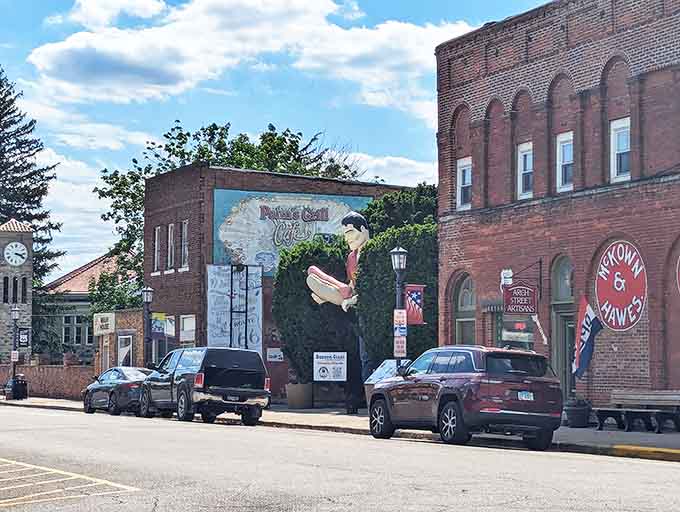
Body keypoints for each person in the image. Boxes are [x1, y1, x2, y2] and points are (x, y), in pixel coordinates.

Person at [306, 212, 370, 312]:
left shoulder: (374, 252)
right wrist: (325, 298)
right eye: (345, 234)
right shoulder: (351, 257)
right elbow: (352, 284)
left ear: (363, 229)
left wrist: (353, 300)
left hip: (366, 301)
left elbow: (374, 288)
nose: (347, 238)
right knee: (312, 274)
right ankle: (338, 292)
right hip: (350, 295)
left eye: (349, 232)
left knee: (312, 280)